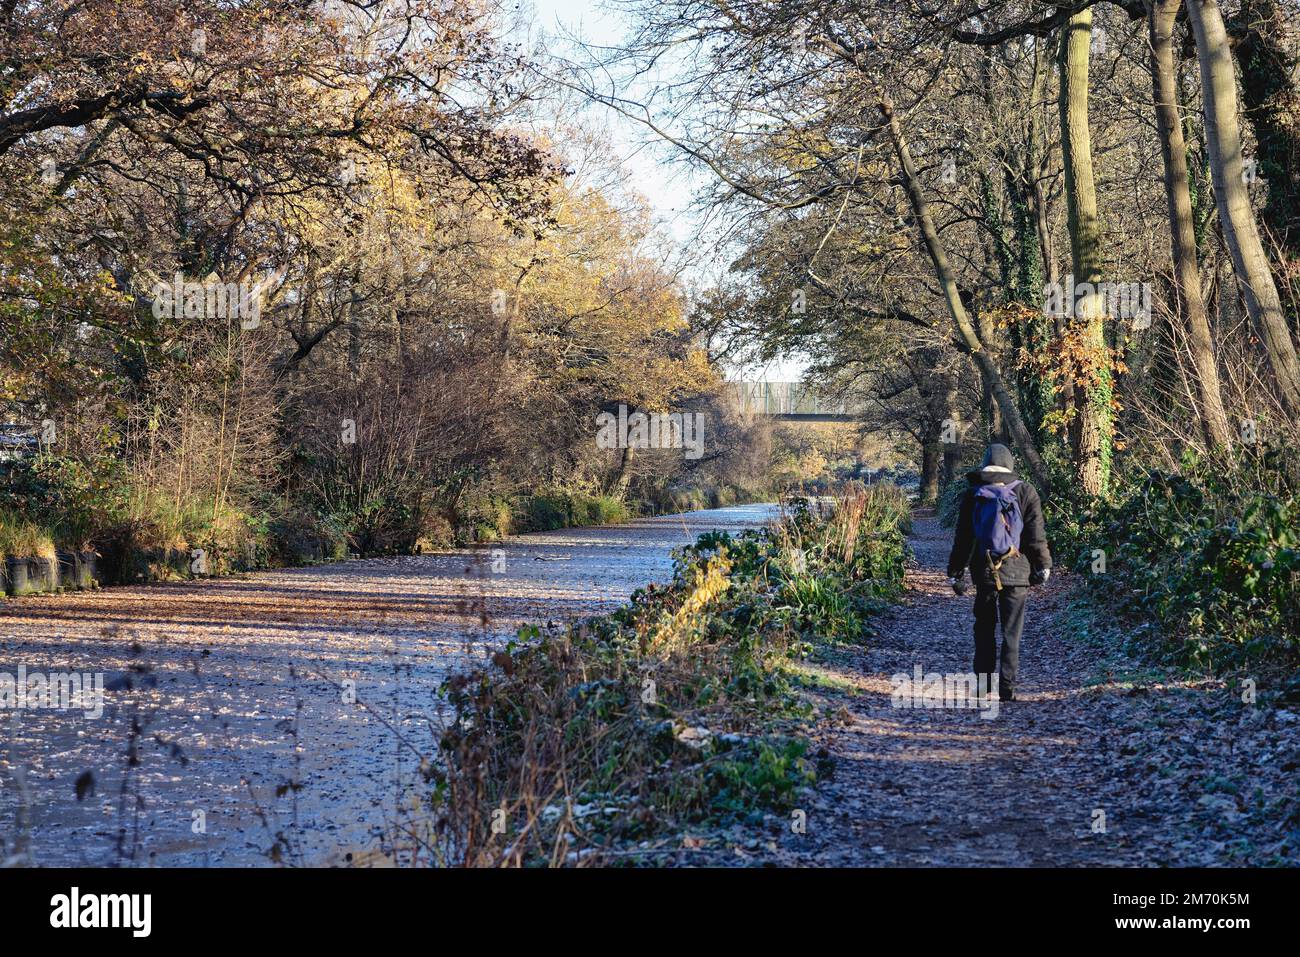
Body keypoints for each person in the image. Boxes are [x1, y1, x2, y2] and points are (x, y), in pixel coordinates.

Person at [946, 443, 1052, 702]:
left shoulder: (973, 494)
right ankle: (1008, 688)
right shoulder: (1026, 492)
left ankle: (983, 686)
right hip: (1017, 573)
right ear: (1010, 465)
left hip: (984, 571)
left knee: (983, 628)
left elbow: (964, 538)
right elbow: (1035, 535)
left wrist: (955, 572)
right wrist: (1043, 566)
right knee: (1011, 632)